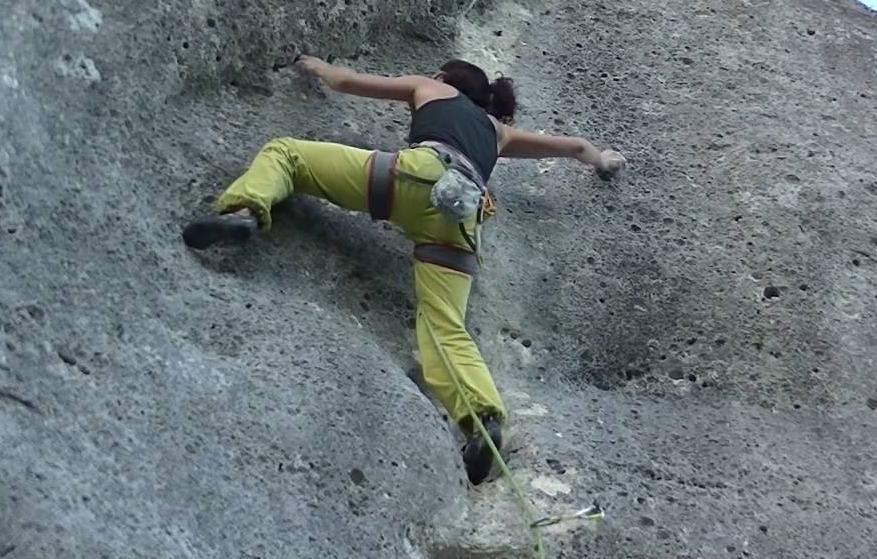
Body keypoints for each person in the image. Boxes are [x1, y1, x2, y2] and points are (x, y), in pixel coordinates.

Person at [181, 55, 627, 484]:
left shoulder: (430, 87)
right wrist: (603, 160)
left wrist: (310, 64)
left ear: (446, 79)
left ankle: (245, 212)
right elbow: (575, 147)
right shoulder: (498, 132)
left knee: (288, 153)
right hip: (460, 216)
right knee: (444, 326)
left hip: (413, 176)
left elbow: (345, 81)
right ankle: (481, 420)